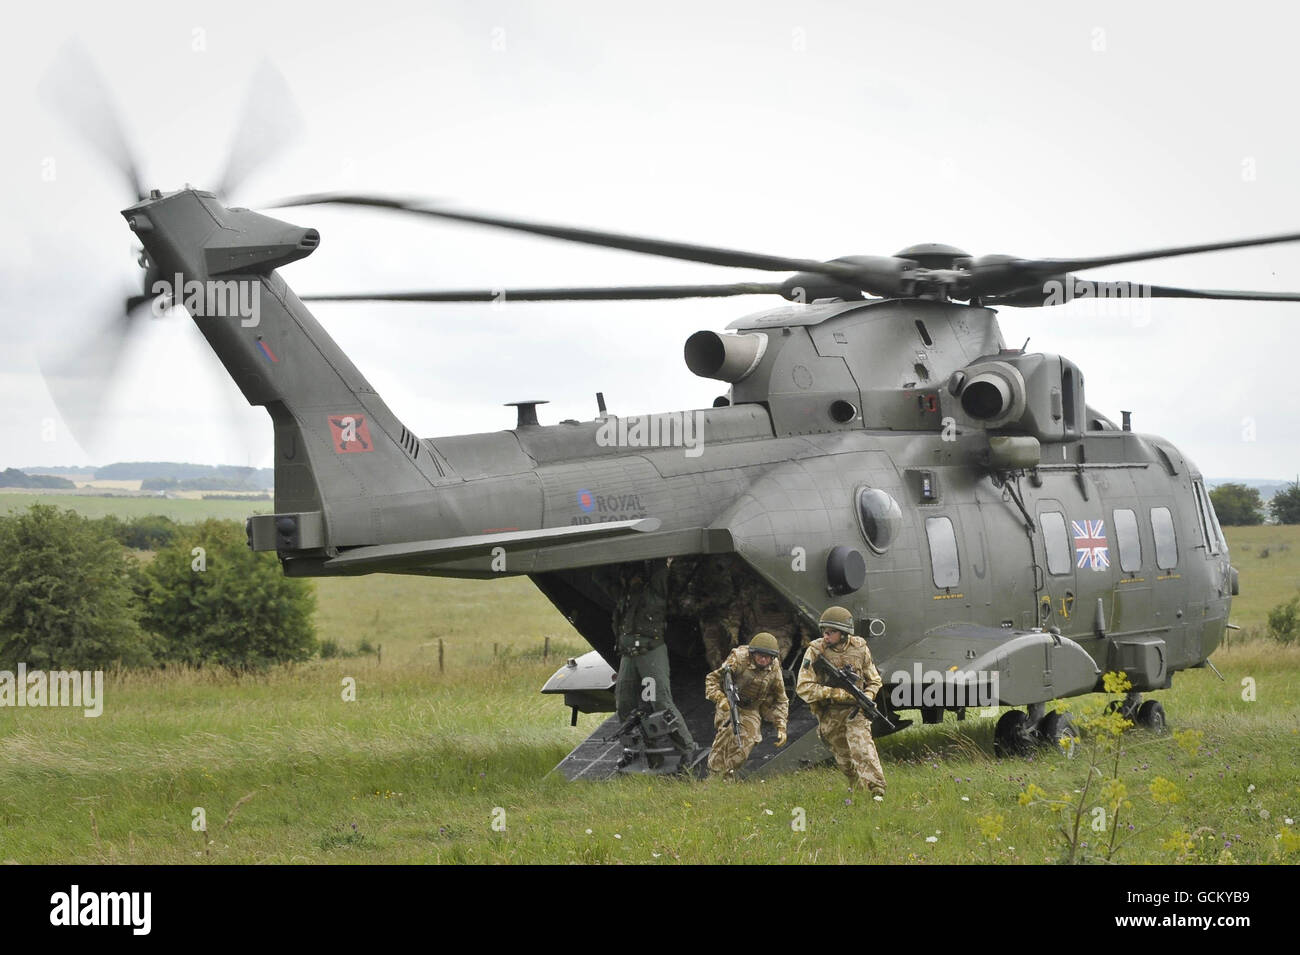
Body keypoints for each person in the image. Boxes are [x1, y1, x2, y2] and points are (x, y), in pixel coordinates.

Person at [795, 606, 886, 797]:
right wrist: (836, 693)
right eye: (824, 632)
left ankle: (877, 790)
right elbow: (803, 688)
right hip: (830, 713)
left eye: (831, 632)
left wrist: (868, 696)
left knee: (862, 748)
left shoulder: (859, 647)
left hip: (856, 710)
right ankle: (856, 786)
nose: (826, 636)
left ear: (844, 633)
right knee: (844, 760)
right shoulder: (816, 651)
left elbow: (875, 680)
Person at [609, 559, 696, 759]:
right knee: (624, 704)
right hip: (628, 655)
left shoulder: (656, 591)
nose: (632, 580)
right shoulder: (624, 596)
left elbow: (658, 568)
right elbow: (600, 578)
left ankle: (687, 750)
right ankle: (641, 752)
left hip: (650, 651)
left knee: (661, 703)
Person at [703, 632, 789, 778]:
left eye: (767, 657)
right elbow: (712, 680)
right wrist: (721, 699)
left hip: (751, 708)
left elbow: (781, 699)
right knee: (726, 738)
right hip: (729, 704)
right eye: (759, 655)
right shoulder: (738, 659)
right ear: (752, 654)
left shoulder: (774, 669)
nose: (763, 659)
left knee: (744, 745)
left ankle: (727, 775)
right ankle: (713, 776)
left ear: (772, 658)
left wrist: (781, 725)